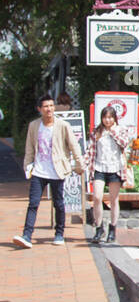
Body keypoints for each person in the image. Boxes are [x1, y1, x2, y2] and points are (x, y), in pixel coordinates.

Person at [14, 95, 84, 248]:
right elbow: (30, 148)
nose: (49, 109)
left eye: (52, 106)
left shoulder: (62, 125)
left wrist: (80, 164)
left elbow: (74, 145)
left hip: (57, 171)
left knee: (58, 203)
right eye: (46, 106)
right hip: (39, 171)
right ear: (40, 109)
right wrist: (27, 165)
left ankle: (59, 233)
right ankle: (27, 235)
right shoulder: (34, 126)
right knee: (33, 203)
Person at [84, 105, 133, 245]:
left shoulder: (120, 130)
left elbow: (125, 143)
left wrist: (113, 132)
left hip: (115, 168)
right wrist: (83, 163)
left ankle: (113, 228)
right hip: (99, 167)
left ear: (115, 118)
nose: (107, 120)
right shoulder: (97, 132)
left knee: (113, 199)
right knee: (97, 197)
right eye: (105, 117)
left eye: (110, 117)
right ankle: (99, 228)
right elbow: (91, 151)